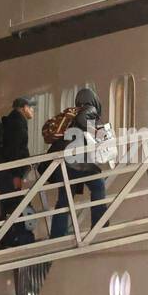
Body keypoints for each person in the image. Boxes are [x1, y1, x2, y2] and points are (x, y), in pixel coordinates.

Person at [49, 87, 107, 239]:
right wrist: (98, 133)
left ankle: (57, 234)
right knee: (98, 186)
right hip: (78, 161)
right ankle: (100, 224)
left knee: (65, 198)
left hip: (64, 161)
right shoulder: (89, 109)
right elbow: (84, 121)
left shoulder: (71, 113)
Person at [0, 97, 34, 247]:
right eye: (31, 107)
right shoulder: (18, 123)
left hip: (4, 173)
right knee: (18, 205)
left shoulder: (11, 122)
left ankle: (3, 241)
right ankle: (19, 240)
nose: (32, 111)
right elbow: (15, 151)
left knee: (10, 206)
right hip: (10, 173)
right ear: (23, 108)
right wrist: (17, 174)